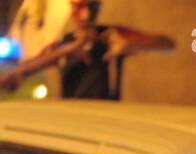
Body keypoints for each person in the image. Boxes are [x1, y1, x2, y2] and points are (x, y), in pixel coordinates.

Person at [0, 0, 174, 99]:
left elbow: (167, 44)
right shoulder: (65, 42)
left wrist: (131, 44)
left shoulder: (110, 35)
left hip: (105, 118)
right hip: (73, 119)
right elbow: (19, 73)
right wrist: (66, 51)